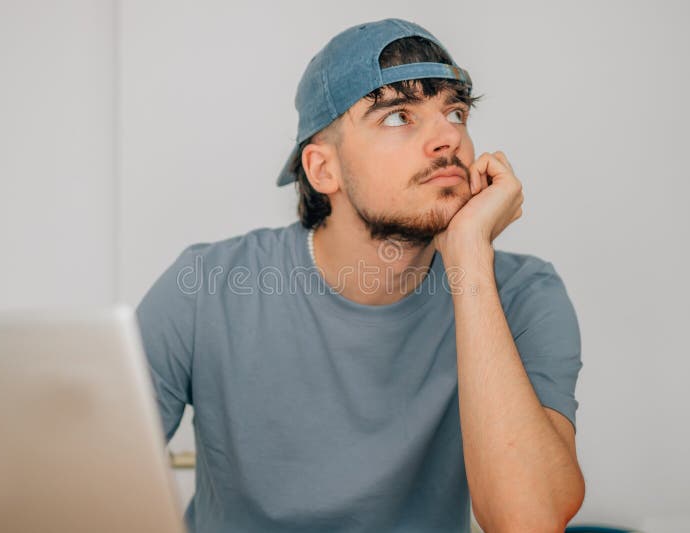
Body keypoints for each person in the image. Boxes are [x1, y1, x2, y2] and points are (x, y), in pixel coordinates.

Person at [136, 17, 585, 533]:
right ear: (322, 169)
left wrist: (468, 260)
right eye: (398, 116)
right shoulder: (205, 288)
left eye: (456, 112)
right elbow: (76, 481)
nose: (448, 140)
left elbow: (529, 521)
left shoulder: (523, 293)